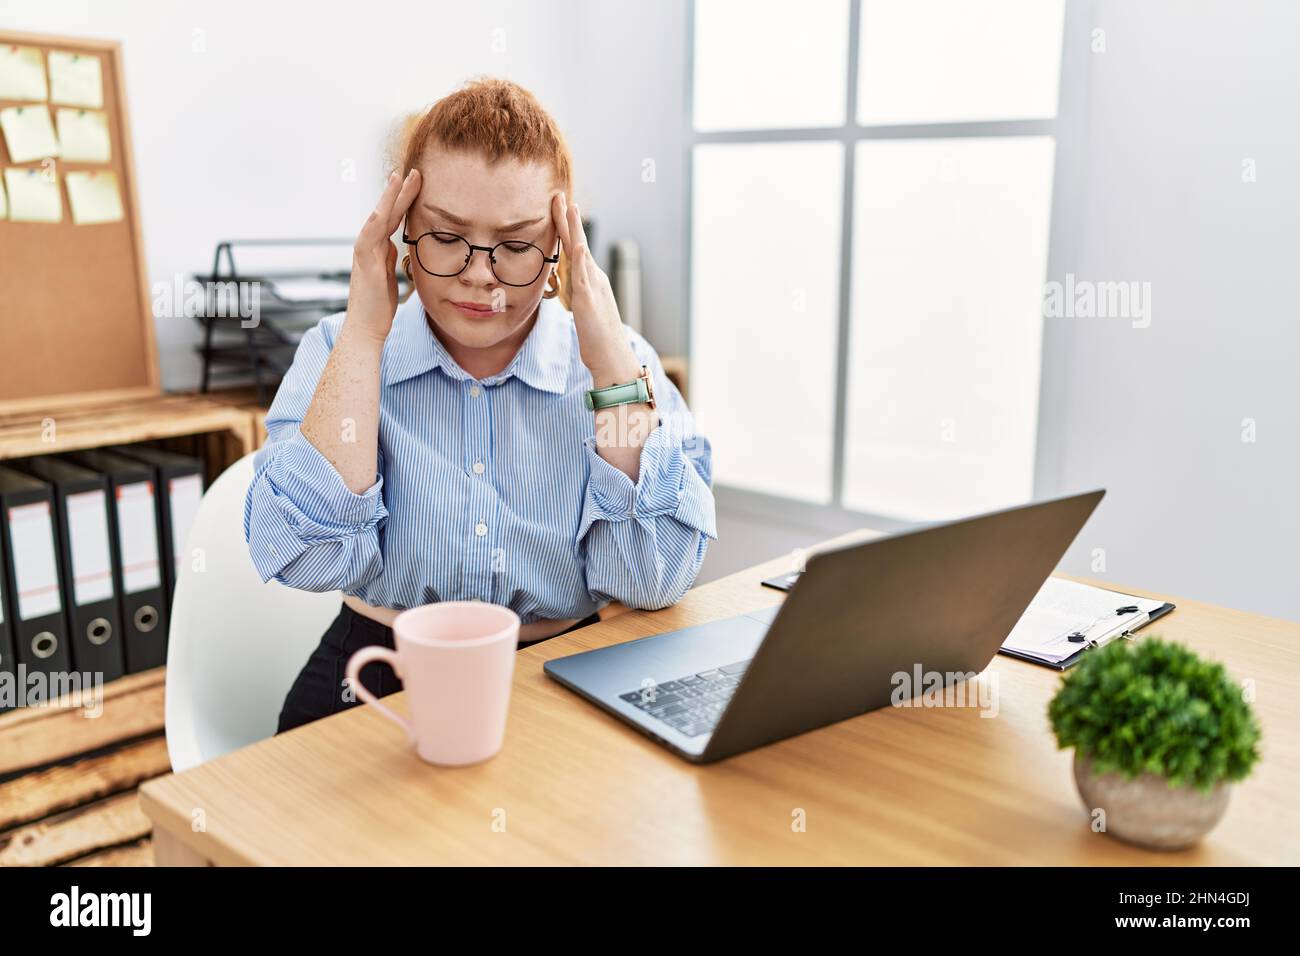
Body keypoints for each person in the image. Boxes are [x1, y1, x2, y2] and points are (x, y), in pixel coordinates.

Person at [243, 78, 717, 734]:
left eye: (517, 244)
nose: (479, 274)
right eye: (445, 236)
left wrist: (607, 359)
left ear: (559, 241)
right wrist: (363, 334)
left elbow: (652, 574)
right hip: (375, 678)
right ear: (402, 228)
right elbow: (307, 556)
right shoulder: (339, 347)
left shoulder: (618, 362)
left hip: (561, 675)